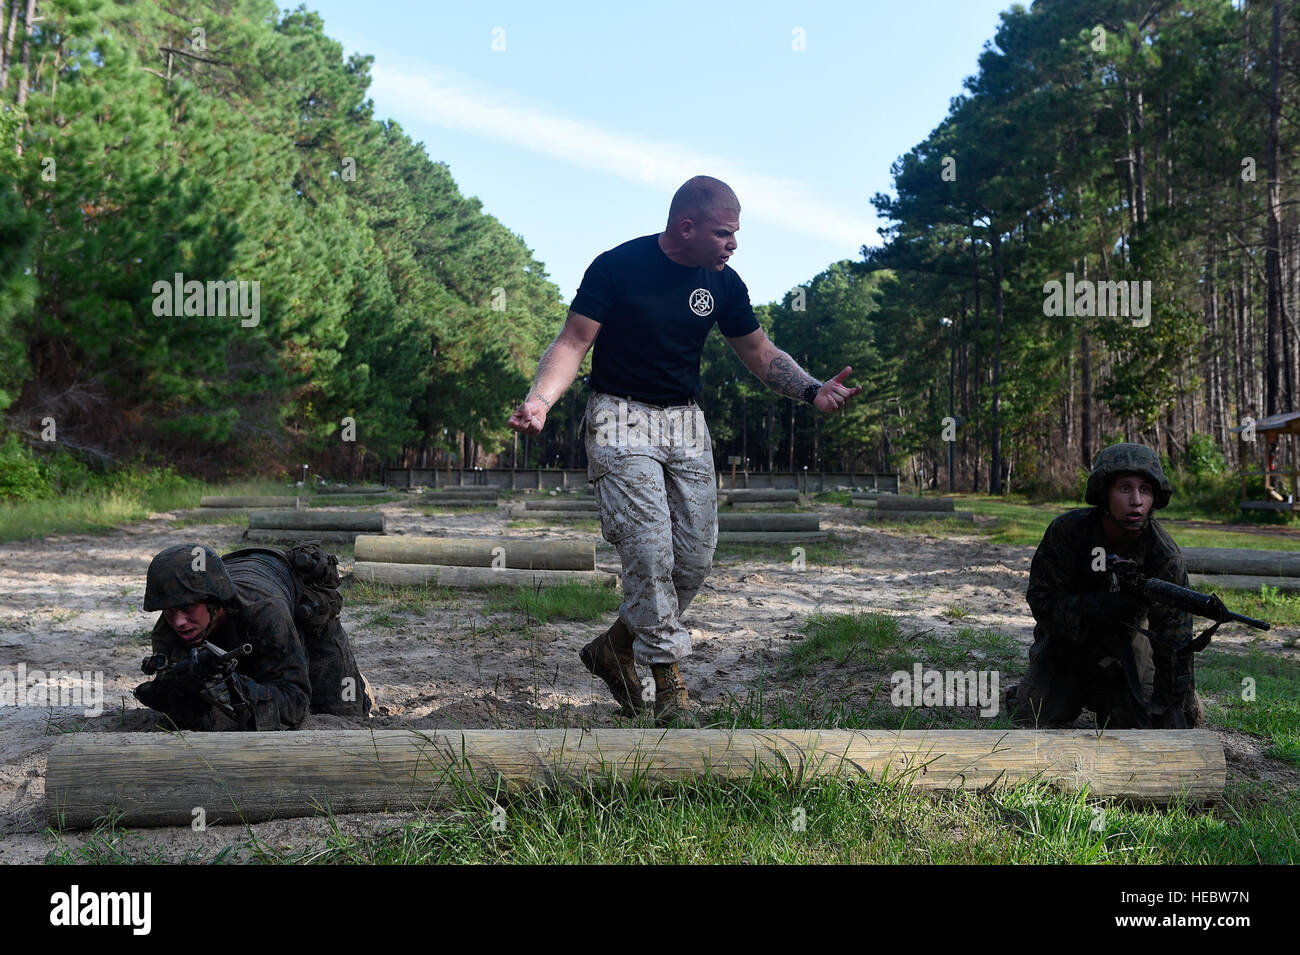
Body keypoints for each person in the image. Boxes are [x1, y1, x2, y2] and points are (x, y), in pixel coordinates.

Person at [507, 175, 861, 725]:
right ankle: (670, 685)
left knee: (692, 561)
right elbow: (574, 341)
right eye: (724, 233)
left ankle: (613, 647)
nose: (733, 244)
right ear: (686, 226)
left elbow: (758, 350)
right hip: (619, 417)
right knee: (649, 550)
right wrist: (540, 401)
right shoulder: (617, 267)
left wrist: (814, 390)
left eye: (736, 234)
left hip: (686, 424)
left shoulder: (723, 283)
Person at [1007, 443, 1203, 729]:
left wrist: (1175, 703)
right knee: (1033, 716)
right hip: (1069, 644)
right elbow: (1042, 600)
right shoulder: (1067, 533)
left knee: (1145, 723)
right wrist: (1095, 606)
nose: (1136, 500)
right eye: (1125, 489)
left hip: (1131, 649)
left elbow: (1175, 638)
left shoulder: (1164, 555)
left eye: (1145, 490)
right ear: (1104, 494)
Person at [134, 542, 371, 730]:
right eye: (169, 611)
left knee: (345, 712)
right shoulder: (168, 629)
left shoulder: (266, 612)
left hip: (297, 604)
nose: (178, 622)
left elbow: (296, 702)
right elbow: (177, 705)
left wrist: (240, 691)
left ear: (215, 600)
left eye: (187, 609)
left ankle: (361, 684)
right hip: (244, 606)